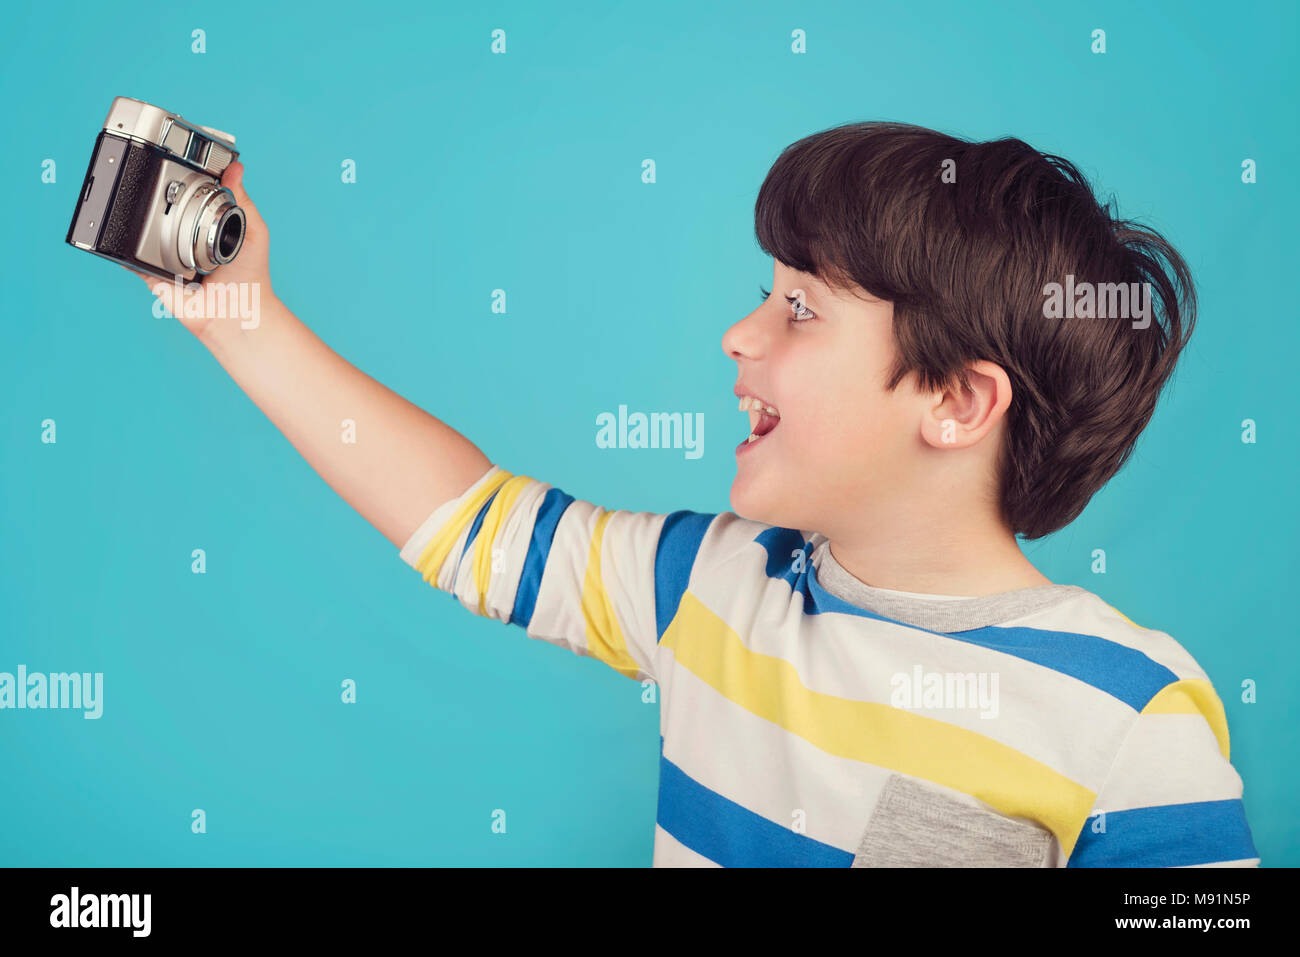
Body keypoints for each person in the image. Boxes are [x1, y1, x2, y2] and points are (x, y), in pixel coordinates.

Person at [125, 121, 1259, 867]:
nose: (738, 333)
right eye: (761, 293)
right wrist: (235, 308)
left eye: (800, 309)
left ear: (958, 404)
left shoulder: (1131, 717)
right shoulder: (708, 588)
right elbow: (467, 522)